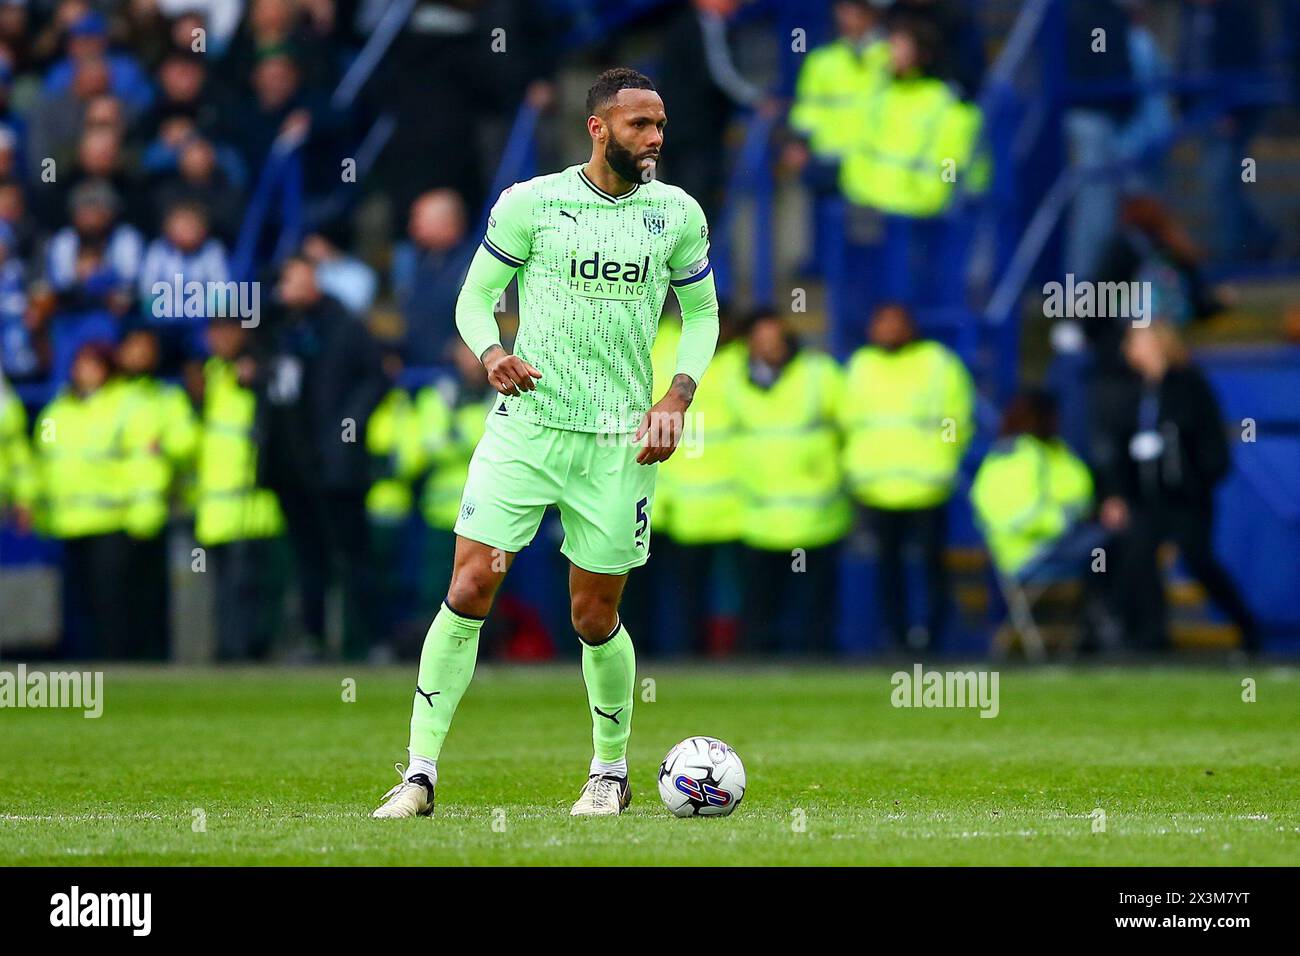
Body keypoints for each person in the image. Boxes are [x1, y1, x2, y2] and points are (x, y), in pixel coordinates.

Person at [371, 67, 720, 820]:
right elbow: (473, 298)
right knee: (469, 588)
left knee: (593, 615)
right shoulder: (533, 203)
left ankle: (610, 774)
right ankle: (419, 775)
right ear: (598, 128)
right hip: (526, 431)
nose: (655, 138)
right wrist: (492, 353)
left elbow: (702, 315)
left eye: (660, 124)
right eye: (639, 125)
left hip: (616, 441)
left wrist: (676, 395)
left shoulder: (677, 215)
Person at [253, 255, 387, 661]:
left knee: (352, 555)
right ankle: (313, 640)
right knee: (307, 557)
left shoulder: (344, 326)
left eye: (293, 278)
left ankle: (368, 641)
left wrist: (348, 426)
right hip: (290, 464)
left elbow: (377, 378)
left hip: (334, 464)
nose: (285, 288)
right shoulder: (279, 330)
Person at [1095, 322, 1259, 652]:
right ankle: (1153, 637)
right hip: (1147, 499)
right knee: (1137, 556)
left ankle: (1247, 626)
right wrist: (1116, 494)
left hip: (1187, 498)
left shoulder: (1190, 386)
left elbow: (1211, 443)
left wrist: (1196, 478)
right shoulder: (1134, 390)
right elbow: (1118, 448)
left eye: (1136, 342)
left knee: (1199, 560)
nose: (1129, 349)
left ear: (1158, 344)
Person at [842, 303, 974, 651]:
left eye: (896, 323)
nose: (889, 331)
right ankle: (897, 639)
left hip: (926, 487)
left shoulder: (937, 363)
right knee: (888, 571)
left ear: (911, 326)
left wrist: (943, 457)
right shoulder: (861, 366)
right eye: (882, 323)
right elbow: (848, 422)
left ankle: (934, 639)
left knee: (933, 569)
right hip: (877, 489)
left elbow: (956, 418)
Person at [729, 308, 849, 655]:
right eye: (762, 338)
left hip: (816, 518)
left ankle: (819, 674)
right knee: (759, 613)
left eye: (776, 337)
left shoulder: (819, 374)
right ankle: (756, 681)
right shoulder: (732, 378)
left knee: (815, 616)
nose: (771, 346)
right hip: (758, 519)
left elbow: (850, 427)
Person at [31, 341, 132, 658]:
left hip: (111, 518)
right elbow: (44, 461)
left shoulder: (122, 406)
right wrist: (38, 505)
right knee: (75, 601)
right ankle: (82, 659)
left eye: (93, 365)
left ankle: (116, 663)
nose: (85, 373)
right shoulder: (56, 413)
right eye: (81, 365)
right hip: (68, 521)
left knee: (111, 600)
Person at [195, 316, 285, 661]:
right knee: (224, 588)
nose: (219, 337)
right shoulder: (213, 374)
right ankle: (230, 652)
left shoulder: (262, 372)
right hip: (217, 507)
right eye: (215, 330)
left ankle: (247, 653)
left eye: (227, 329)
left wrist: (259, 379)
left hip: (251, 503)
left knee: (250, 587)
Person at [116, 326, 198, 659]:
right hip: (110, 512)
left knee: (154, 596)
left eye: (146, 348)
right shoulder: (109, 398)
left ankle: (154, 661)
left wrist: (163, 444)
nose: (140, 355)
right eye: (133, 346)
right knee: (114, 601)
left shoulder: (167, 397)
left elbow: (187, 441)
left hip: (157, 509)